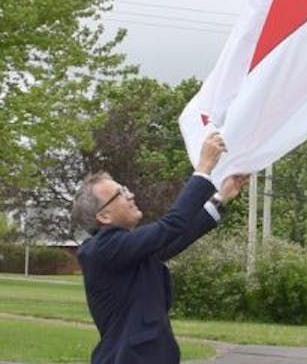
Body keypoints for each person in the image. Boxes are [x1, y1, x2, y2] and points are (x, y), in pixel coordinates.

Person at [70, 131, 248, 364]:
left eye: (124, 188)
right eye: (120, 194)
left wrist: (221, 196)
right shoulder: (102, 250)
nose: (130, 195)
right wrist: (204, 168)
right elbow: (171, 226)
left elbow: (177, 237)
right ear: (103, 216)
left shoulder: (125, 251)